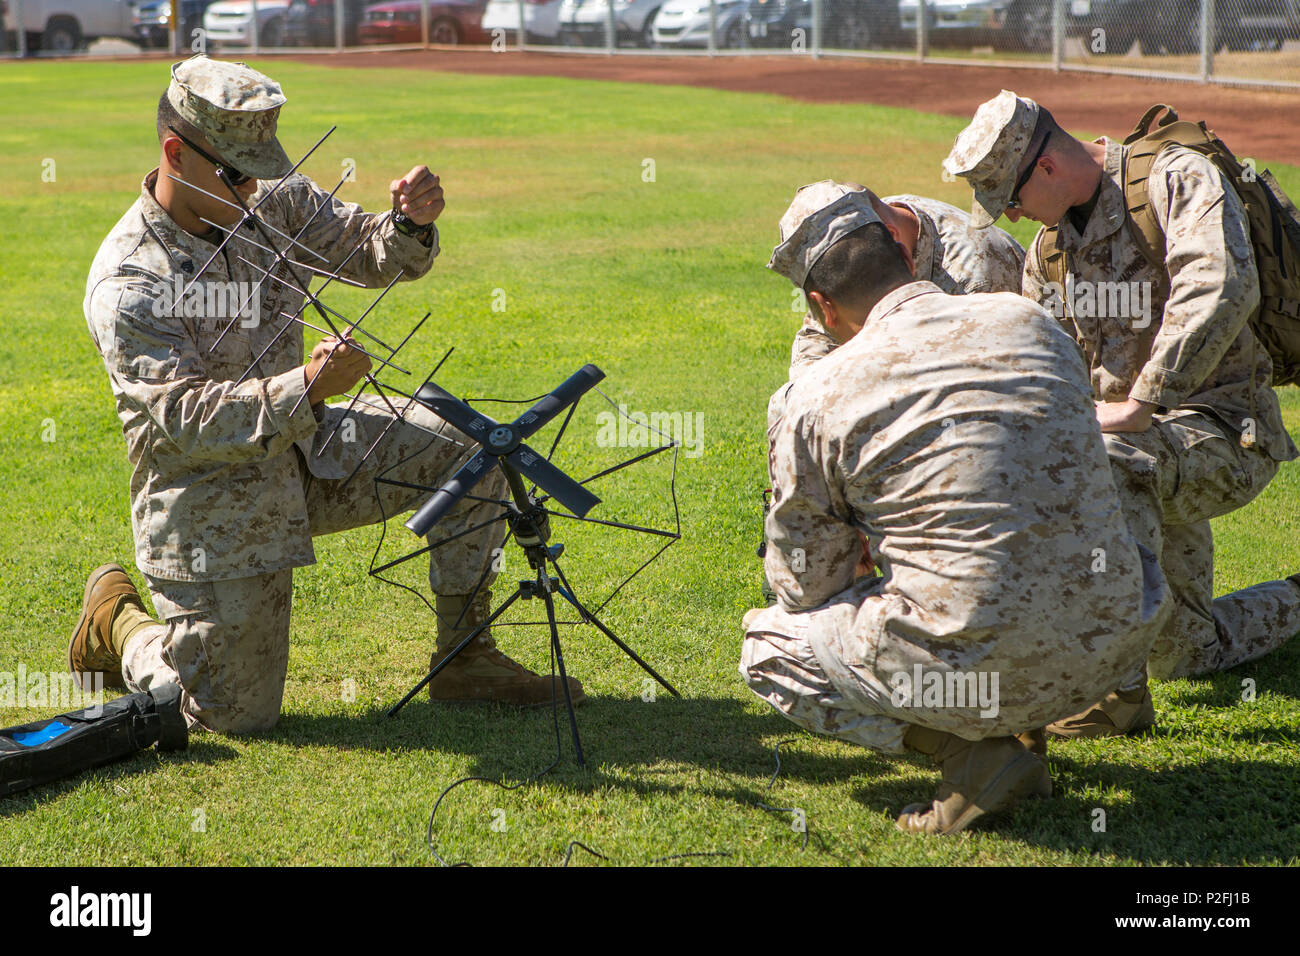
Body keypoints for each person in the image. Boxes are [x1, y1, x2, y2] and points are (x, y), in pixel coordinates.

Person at [70, 55, 581, 733]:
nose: (254, 186)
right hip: (209, 496)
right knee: (230, 717)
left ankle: (465, 657)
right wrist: (306, 384)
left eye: (261, 165)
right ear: (175, 152)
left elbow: (365, 251)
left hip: (308, 451)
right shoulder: (132, 278)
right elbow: (184, 420)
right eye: (236, 171)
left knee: (472, 449)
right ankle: (122, 628)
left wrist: (406, 224)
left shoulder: (268, 198)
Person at [741, 182, 1169, 835]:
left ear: (823, 308)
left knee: (770, 646)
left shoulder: (812, 395)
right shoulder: (1030, 321)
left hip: (975, 677)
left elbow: (806, 587)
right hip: (1114, 641)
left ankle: (974, 754)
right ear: (907, 259)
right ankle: (1111, 700)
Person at [943, 91, 1300, 737]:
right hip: (1145, 450)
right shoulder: (1047, 254)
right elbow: (1043, 365)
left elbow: (1220, 286)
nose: (1015, 217)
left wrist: (1144, 401)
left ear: (1046, 167)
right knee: (1185, 654)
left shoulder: (1175, 177)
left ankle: (1112, 692)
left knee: (1104, 465)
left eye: (1014, 200)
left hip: (1223, 431)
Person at [788, 184, 1025, 379]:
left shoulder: (975, 280)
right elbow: (821, 337)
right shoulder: (862, 223)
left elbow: (976, 385)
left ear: (891, 238)